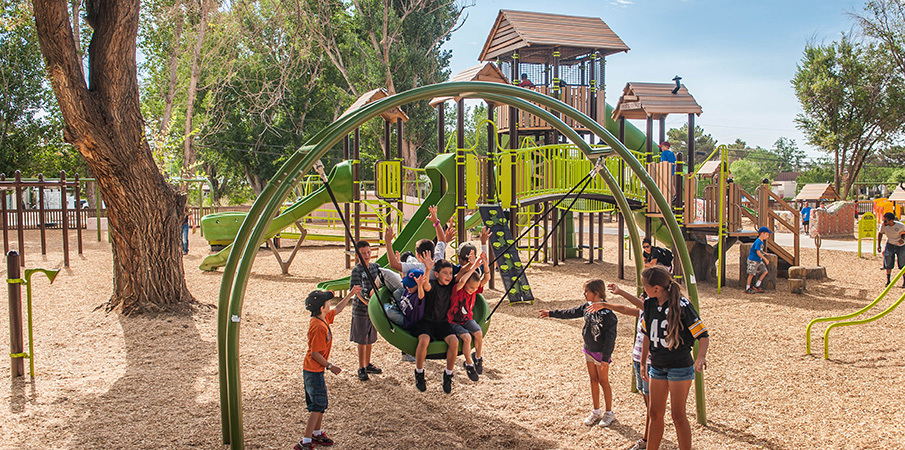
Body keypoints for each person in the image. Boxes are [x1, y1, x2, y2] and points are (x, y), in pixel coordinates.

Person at [638, 266, 709, 450]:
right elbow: (646, 332)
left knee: (678, 415)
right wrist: (644, 360)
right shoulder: (650, 303)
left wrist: (700, 357)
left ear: (656, 288)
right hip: (658, 365)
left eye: (644, 285)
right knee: (655, 413)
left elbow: (702, 335)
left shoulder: (682, 305)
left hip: (679, 366)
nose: (642, 289)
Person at [538, 279, 618, 427]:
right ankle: (596, 411)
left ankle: (609, 413)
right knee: (593, 380)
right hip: (588, 349)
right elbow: (571, 312)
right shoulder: (587, 306)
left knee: (603, 381)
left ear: (596, 293)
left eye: (587, 291)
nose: (584, 294)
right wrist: (551, 313)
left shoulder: (608, 314)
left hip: (601, 353)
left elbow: (611, 338)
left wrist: (606, 358)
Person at [294, 286, 361, 450]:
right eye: (328, 302)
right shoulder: (318, 327)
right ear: (322, 308)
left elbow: (337, 309)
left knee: (321, 404)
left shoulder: (322, 318)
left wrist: (351, 294)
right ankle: (306, 441)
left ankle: (317, 434)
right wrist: (330, 366)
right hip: (313, 371)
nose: (330, 304)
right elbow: (315, 353)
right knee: (317, 406)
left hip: (316, 370)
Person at [593, 283, 651, 450]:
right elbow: (625, 309)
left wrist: (621, 292)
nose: (640, 299)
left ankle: (648, 440)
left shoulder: (654, 311)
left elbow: (638, 305)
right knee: (647, 402)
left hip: (648, 362)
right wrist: (605, 304)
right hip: (639, 359)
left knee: (652, 406)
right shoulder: (643, 311)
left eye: (643, 296)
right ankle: (647, 438)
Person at [411, 258, 461, 393]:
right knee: (424, 340)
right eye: (445, 273)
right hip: (427, 321)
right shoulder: (432, 284)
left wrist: (476, 264)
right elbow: (426, 285)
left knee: (454, 341)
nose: (449, 276)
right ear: (437, 274)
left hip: (442, 322)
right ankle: (419, 372)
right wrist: (428, 269)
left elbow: (462, 274)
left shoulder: (450, 286)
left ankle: (448, 374)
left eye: (450, 273)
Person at [448, 251, 490, 381]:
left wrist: (485, 264)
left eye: (475, 289)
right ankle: (468, 364)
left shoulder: (474, 288)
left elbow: (486, 278)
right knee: (466, 337)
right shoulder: (458, 290)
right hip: (453, 321)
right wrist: (473, 267)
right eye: (471, 288)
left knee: (478, 333)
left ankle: (477, 357)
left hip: (466, 319)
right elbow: (462, 280)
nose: (473, 290)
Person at [349, 241, 383, 381]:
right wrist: (368, 304)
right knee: (362, 339)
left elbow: (381, 282)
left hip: (373, 309)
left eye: (368, 252)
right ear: (358, 255)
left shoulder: (376, 267)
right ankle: (361, 367)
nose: (367, 255)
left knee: (370, 338)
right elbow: (357, 292)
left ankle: (368, 363)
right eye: (363, 253)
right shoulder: (356, 271)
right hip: (361, 309)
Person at [878, 212, 905, 287]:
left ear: (891, 220)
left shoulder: (900, 226)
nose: (884, 222)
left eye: (886, 221)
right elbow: (880, 233)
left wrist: (902, 239)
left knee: (902, 264)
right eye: (883, 220)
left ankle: (904, 281)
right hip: (890, 244)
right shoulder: (883, 226)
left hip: (901, 246)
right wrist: (878, 245)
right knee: (888, 261)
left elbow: (904, 233)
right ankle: (888, 281)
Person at [745, 226, 771, 294]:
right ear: (762, 233)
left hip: (758, 260)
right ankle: (747, 288)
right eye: (766, 234)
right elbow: (757, 252)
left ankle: (757, 285)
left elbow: (760, 250)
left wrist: (765, 253)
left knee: (765, 271)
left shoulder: (761, 242)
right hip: (753, 260)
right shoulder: (758, 242)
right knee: (751, 274)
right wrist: (765, 259)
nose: (767, 236)